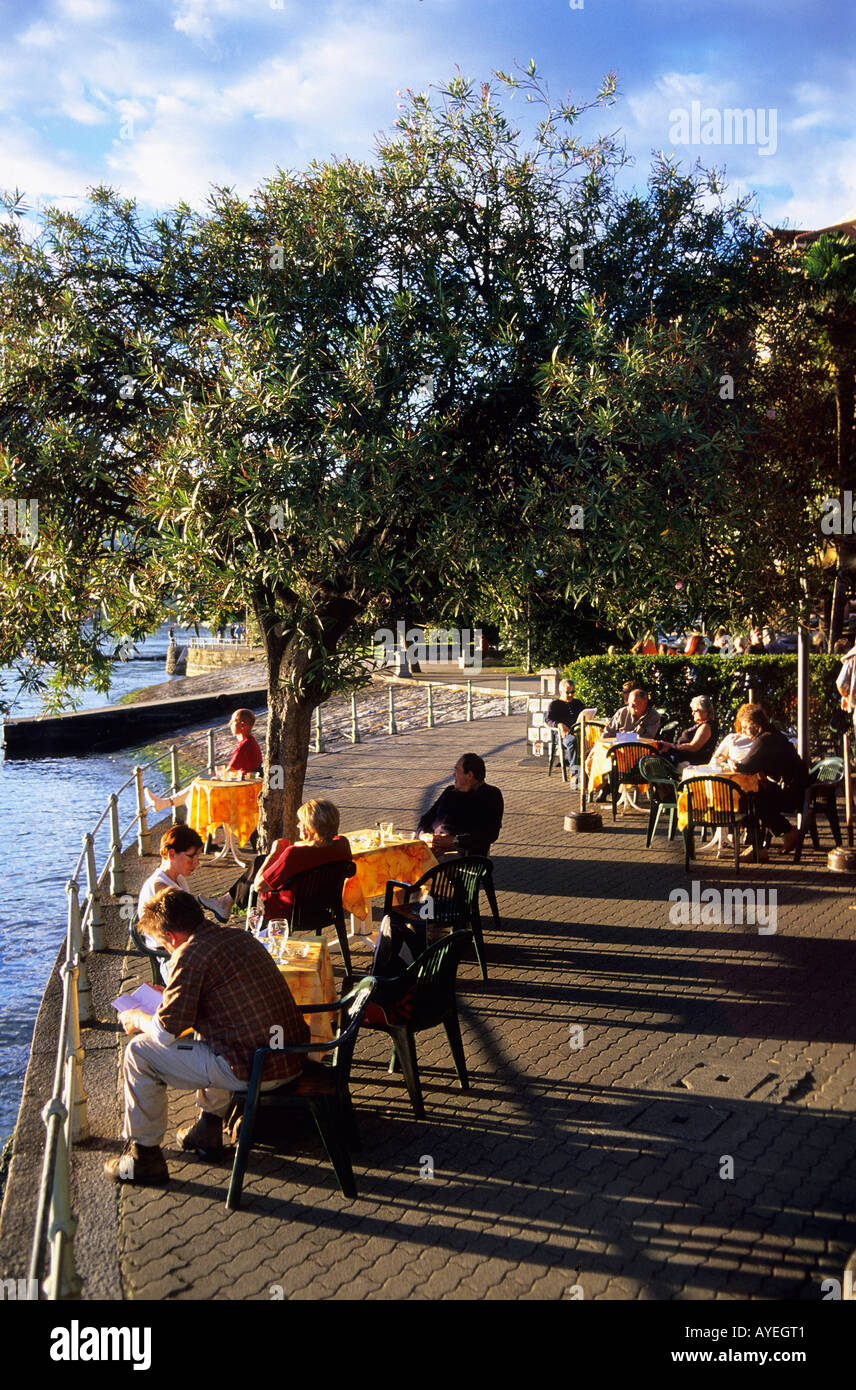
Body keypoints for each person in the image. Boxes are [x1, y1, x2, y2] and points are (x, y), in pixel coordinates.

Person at [104, 889, 309, 1183]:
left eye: (164, 945)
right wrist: (171, 999)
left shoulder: (189, 954)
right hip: (290, 1056)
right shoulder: (239, 937)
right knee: (213, 1034)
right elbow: (219, 1004)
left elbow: (163, 1035)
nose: (167, 950)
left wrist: (137, 1018)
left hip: (256, 1069)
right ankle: (208, 1129)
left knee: (139, 1053)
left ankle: (144, 1157)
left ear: (171, 936)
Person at [199, 798, 352, 924]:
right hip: (326, 910)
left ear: (311, 828)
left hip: (288, 913)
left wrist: (274, 853)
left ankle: (231, 908)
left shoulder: (294, 854)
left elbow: (259, 886)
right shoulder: (342, 844)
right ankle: (225, 901)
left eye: (301, 823)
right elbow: (316, 854)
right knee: (260, 860)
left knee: (259, 872)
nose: (298, 826)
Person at [144, 709, 262, 814]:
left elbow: (229, 770)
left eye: (232, 722)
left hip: (241, 789)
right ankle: (165, 803)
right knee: (198, 784)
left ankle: (166, 804)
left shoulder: (245, 745)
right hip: (243, 784)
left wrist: (213, 775)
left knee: (198, 785)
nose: (229, 724)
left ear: (242, 725)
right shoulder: (247, 742)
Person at [730, 705, 808, 857]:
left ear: (755, 725)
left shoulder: (764, 740)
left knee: (751, 800)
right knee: (754, 797)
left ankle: (760, 847)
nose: (743, 731)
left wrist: (734, 765)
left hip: (792, 793)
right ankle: (784, 834)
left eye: (745, 727)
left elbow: (747, 766)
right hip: (797, 788)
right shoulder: (774, 734)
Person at [417, 753, 503, 856]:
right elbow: (427, 817)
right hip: (432, 848)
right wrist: (422, 834)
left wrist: (455, 840)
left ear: (469, 775)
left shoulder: (490, 795)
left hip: (461, 856)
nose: (453, 775)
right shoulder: (450, 791)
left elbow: (489, 834)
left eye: (456, 770)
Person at [657, 695, 718, 767]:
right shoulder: (702, 725)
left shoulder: (706, 726)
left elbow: (693, 747)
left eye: (695, 711)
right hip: (680, 758)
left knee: (652, 761)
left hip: (689, 763)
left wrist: (672, 746)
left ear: (705, 711)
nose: (693, 713)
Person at [544, 678, 585, 783]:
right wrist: (559, 724)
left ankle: (590, 773)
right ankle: (574, 773)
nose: (571, 695)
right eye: (568, 692)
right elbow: (548, 720)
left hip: (580, 732)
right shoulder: (554, 704)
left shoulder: (578, 703)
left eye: (573, 692)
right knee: (572, 741)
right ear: (560, 691)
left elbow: (585, 714)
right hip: (563, 735)